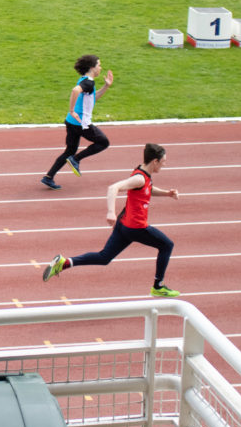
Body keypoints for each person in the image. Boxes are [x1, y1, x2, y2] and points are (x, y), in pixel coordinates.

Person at [41, 143, 181, 298]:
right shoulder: (139, 178)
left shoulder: (142, 173)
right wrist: (110, 212)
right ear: (155, 161)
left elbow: (148, 189)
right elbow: (113, 188)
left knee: (104, 257)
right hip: (136, 227)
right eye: (163, 161)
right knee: (167, 245)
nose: (164, 164)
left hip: (124, 225)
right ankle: (158, 286)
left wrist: (167, 193)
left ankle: (64, 263)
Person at [41, 55, 113, 190]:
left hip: (71, 122)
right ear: (92, 68)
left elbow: (93, 98)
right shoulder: (88, 83)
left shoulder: (85, 80)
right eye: (99, 65)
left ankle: (48, 177)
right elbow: (75, 90)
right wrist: (72, 109)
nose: (100, 68)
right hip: (81, 123)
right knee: (103, 142)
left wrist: (106, 86)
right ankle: (76, 159)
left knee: (70, 150)